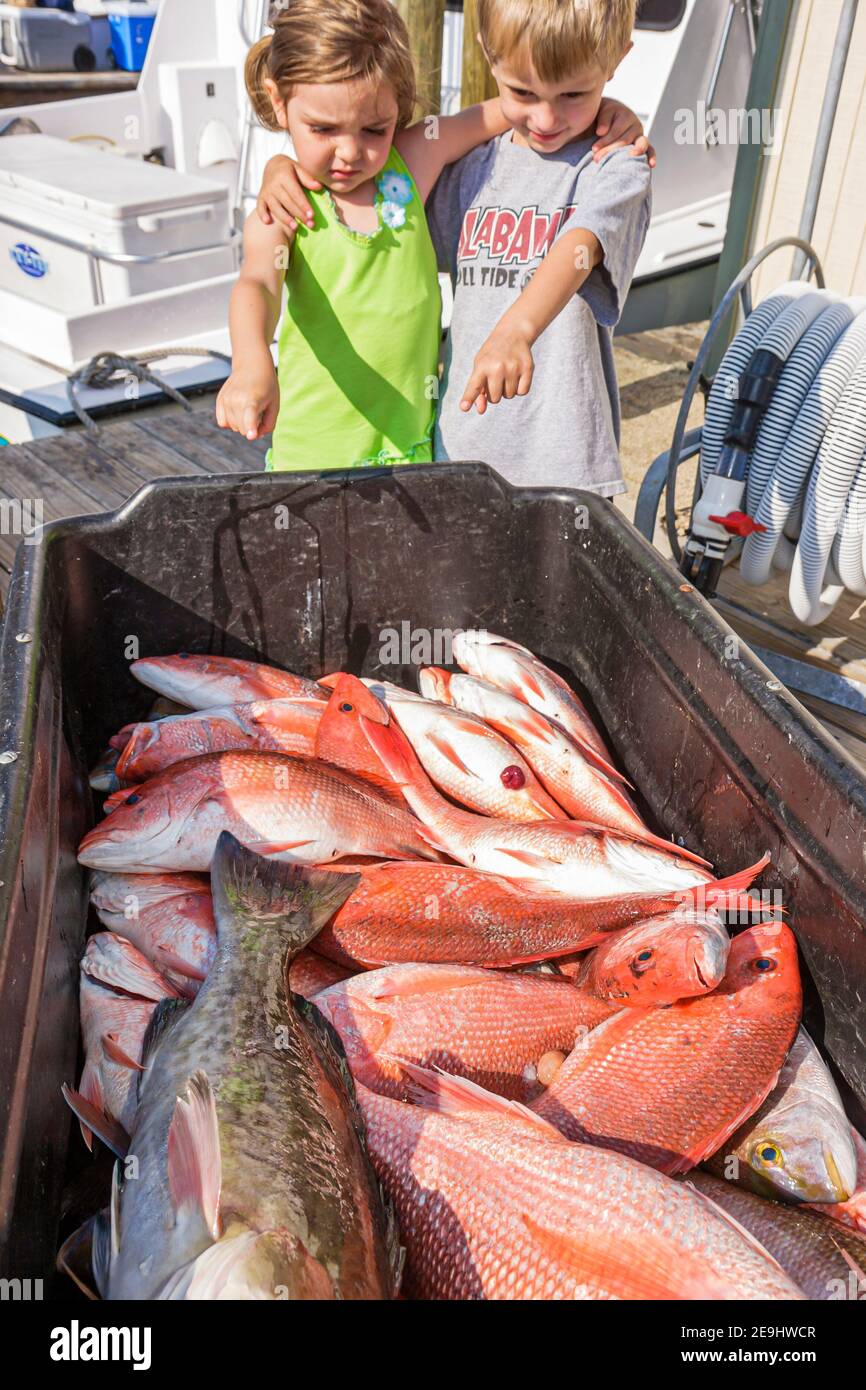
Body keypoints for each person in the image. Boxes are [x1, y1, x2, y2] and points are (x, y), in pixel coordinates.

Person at [224, 0, 650, 474]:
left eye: (374, 128)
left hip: (417, 451)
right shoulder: (281, 207)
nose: (349, 151)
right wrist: (250, 360)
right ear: (278, 102)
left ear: (399, 112)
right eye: (322, 129)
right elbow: (257, 283)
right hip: (311, 458)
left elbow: (509, 111)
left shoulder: (411, 163)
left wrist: (605, 107)